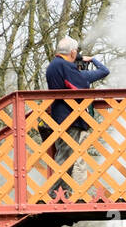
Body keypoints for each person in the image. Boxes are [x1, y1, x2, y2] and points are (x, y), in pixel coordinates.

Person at [44, 35, 110, 201]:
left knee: (67, 156)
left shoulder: (55, 65)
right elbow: (79, 86)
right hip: (69, 117)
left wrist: (78, 57)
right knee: (65, 157)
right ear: (72, 52)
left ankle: (62, 193)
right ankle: (55, 193)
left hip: (61, 115)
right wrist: (90, 60)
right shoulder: (65, 66)